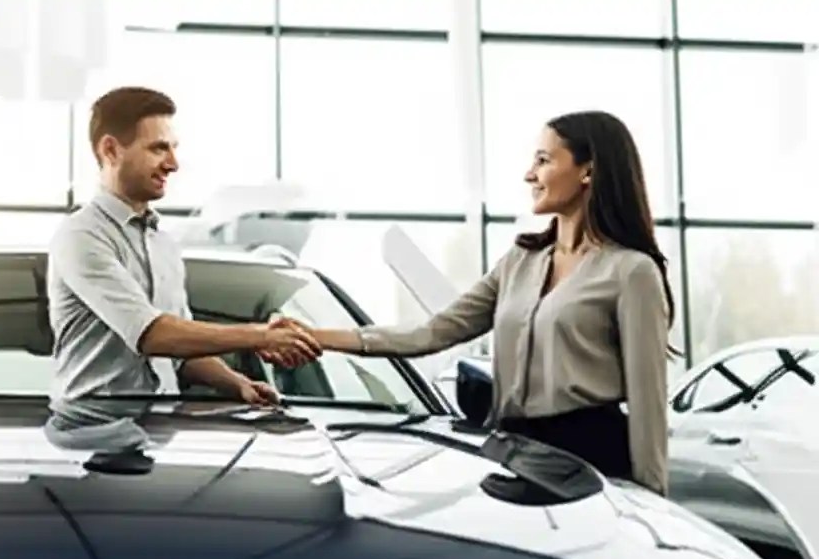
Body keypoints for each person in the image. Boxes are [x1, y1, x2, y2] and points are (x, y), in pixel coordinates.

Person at [271, 111, 675, 496]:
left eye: (543, 160)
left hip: (592, 458)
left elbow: (648, 401)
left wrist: (654, 500)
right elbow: (432, 333)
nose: (529, 175)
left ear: (589, 170)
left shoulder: (631, 271)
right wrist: (313, 336)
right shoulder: (521, 261)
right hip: (512, 451)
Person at [46, 86, 320, 408]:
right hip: (91, 430)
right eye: (159, 149)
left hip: (159, 428)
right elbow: (153, 335)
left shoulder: (163, 244)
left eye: (173, 149)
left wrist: (239, 383)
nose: (173, 164)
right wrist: (262, 336)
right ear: (110, 150)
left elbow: (181, 351)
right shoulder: (81, 235)